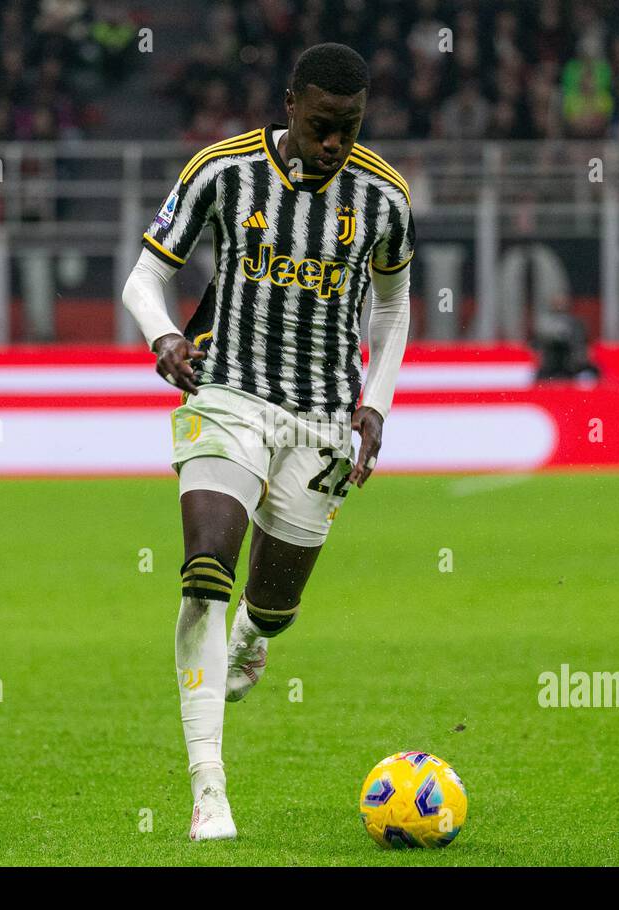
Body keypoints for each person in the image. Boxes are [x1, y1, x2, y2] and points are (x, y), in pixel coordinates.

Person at [120, 43, 413, 841]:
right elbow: (144, 276)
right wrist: (163, 340)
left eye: (349, 129)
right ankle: (208, 788)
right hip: (227, 397)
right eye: (322, 127)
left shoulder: (383, 198)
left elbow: (392, 309)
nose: (334, 145)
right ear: (290, 106)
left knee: (274, 606)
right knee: (204, 568)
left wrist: (374, 406)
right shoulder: (222, 171)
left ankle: (256, 635)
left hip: (320, 421)